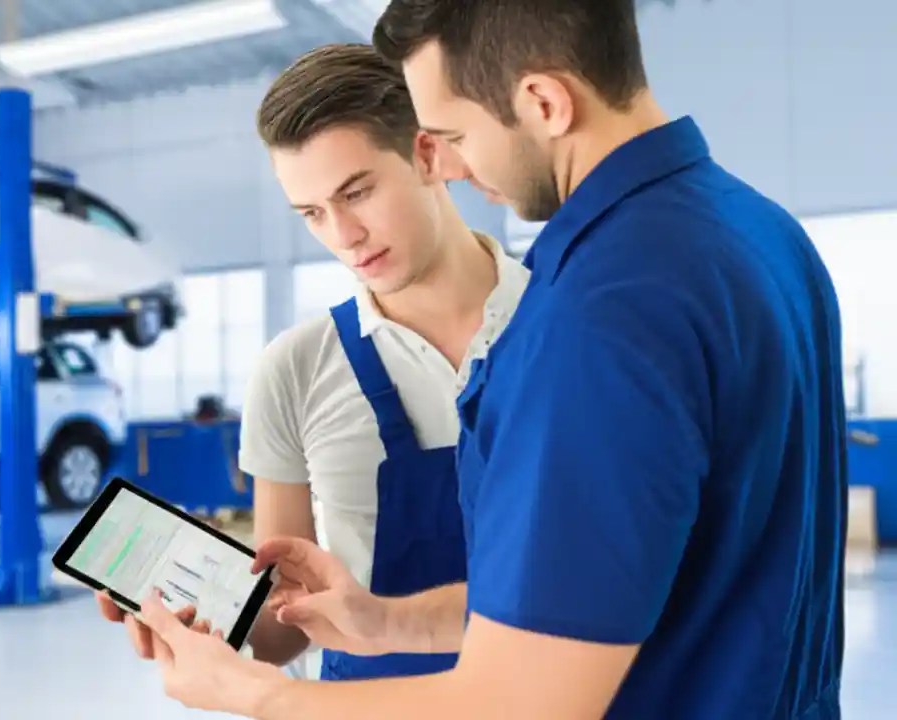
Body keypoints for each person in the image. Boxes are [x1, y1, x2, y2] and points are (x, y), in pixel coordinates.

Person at [129, 1, 849, 718]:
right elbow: (621, 581)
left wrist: (256, 693)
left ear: (542, 102)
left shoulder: (592, 312)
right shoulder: (763, 234)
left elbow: (521, 702)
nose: (450, 163)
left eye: (451, 134)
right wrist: (385, 622)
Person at [94, 42, 529, 682]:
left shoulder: (562, 323)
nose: (343, 236)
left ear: (427, 153)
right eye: (312, 214)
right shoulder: (295, 370)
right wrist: (207, 620)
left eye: (357, 192)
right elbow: (283, 628)